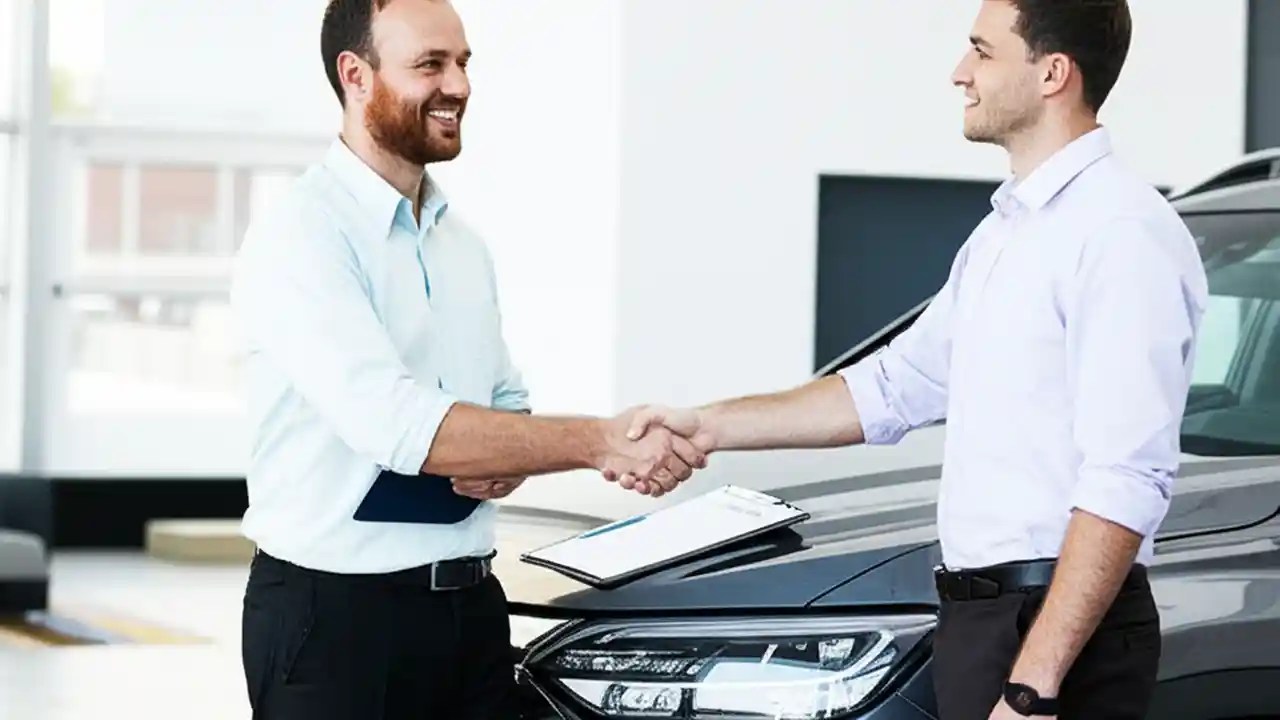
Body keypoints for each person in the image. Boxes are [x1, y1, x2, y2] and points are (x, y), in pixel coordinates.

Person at [620, 1, 1207, 718]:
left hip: (1053, 634)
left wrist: (1031, 687)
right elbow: (893, 388)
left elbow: (1126, 478)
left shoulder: (1121, 233)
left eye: (982, 52)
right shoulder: (1004, 236)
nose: (960, 74)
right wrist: (704, 425)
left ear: (1054, 73)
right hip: (982, 623)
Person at [229, 0, 707, 717]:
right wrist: (600, 439)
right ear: (355, 76)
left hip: (469, 611)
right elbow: (398, 426)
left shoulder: (462, 246)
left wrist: (503, 448)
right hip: (334, 624)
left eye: (463, 62)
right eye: (431, 64)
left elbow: (505, 398)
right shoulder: (302, 235)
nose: (459, 85)